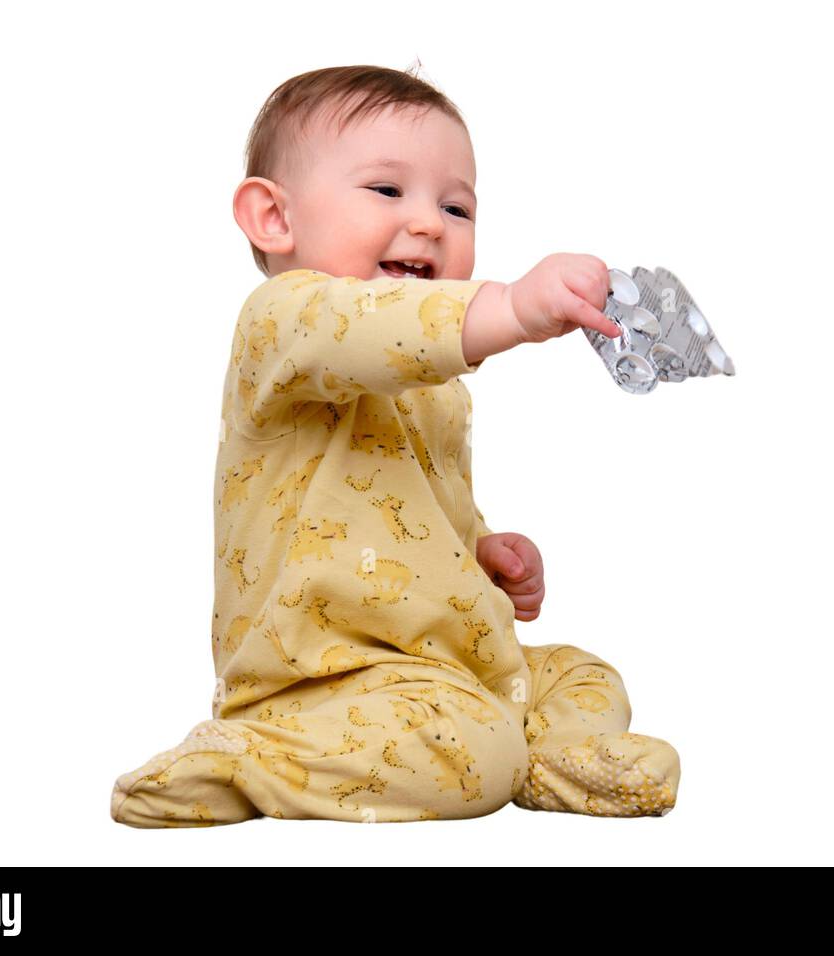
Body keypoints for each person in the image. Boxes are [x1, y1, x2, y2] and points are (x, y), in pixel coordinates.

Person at [110, 64, 681, 826]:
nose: (431, 223)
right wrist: (510, 308)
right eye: (387, 191)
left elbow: (418, 503)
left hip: (448, 663)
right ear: (272, 218)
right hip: (326, 676)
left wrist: (484, 551)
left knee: (585, 677)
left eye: (457, 205)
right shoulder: (284, 322)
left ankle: (545, 758)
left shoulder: (431, 386)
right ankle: (246, 754)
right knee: (470, 754)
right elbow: (383, 326)